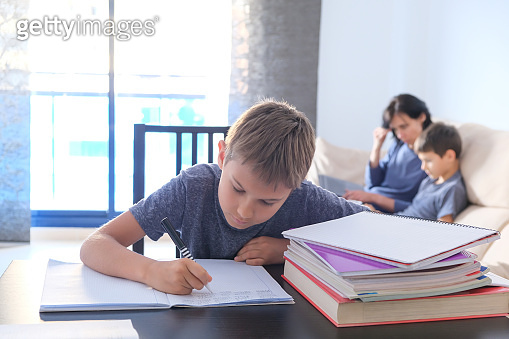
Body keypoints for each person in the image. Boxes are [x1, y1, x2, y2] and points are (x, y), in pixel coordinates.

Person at [80, 99, 367, 295]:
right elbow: (95, 245)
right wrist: (150, 271)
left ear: (296, 187)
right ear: (222, 154)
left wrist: (291, 250)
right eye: (238, 188)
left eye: (268, 202)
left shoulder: (306, 198)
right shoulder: (193, 187)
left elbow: (380, 231)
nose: (244, 211)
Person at [343, 94, 432, 213]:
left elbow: (416, 209)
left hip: (379, 210)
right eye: (395, 129)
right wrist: (377, 147)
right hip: (366, 201)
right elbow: (371, 184)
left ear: (422, 117)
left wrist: (373, 197)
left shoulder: (430, 158)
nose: (400, 135)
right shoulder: (399, 144)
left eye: (404, 127)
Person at [395, 122, 468, 222]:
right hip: (396, 221)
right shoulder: (428, 181)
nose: (423, 167)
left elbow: (442, 228)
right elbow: (412, 211)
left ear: (450, 156)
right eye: (422, 161)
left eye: (428, 161)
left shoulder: (452, 189)